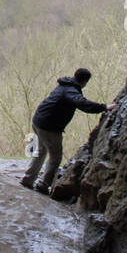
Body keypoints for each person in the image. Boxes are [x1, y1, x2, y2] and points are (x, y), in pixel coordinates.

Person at [21, 67, 115, 195]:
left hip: (38, 121)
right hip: (49, 127)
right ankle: (43, 184)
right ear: (85, 81)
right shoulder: (71, 91)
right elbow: (83, 104)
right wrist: (104, 107)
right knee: (55, 157)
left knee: (41, 151)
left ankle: (28, 179)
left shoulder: (64, 85)